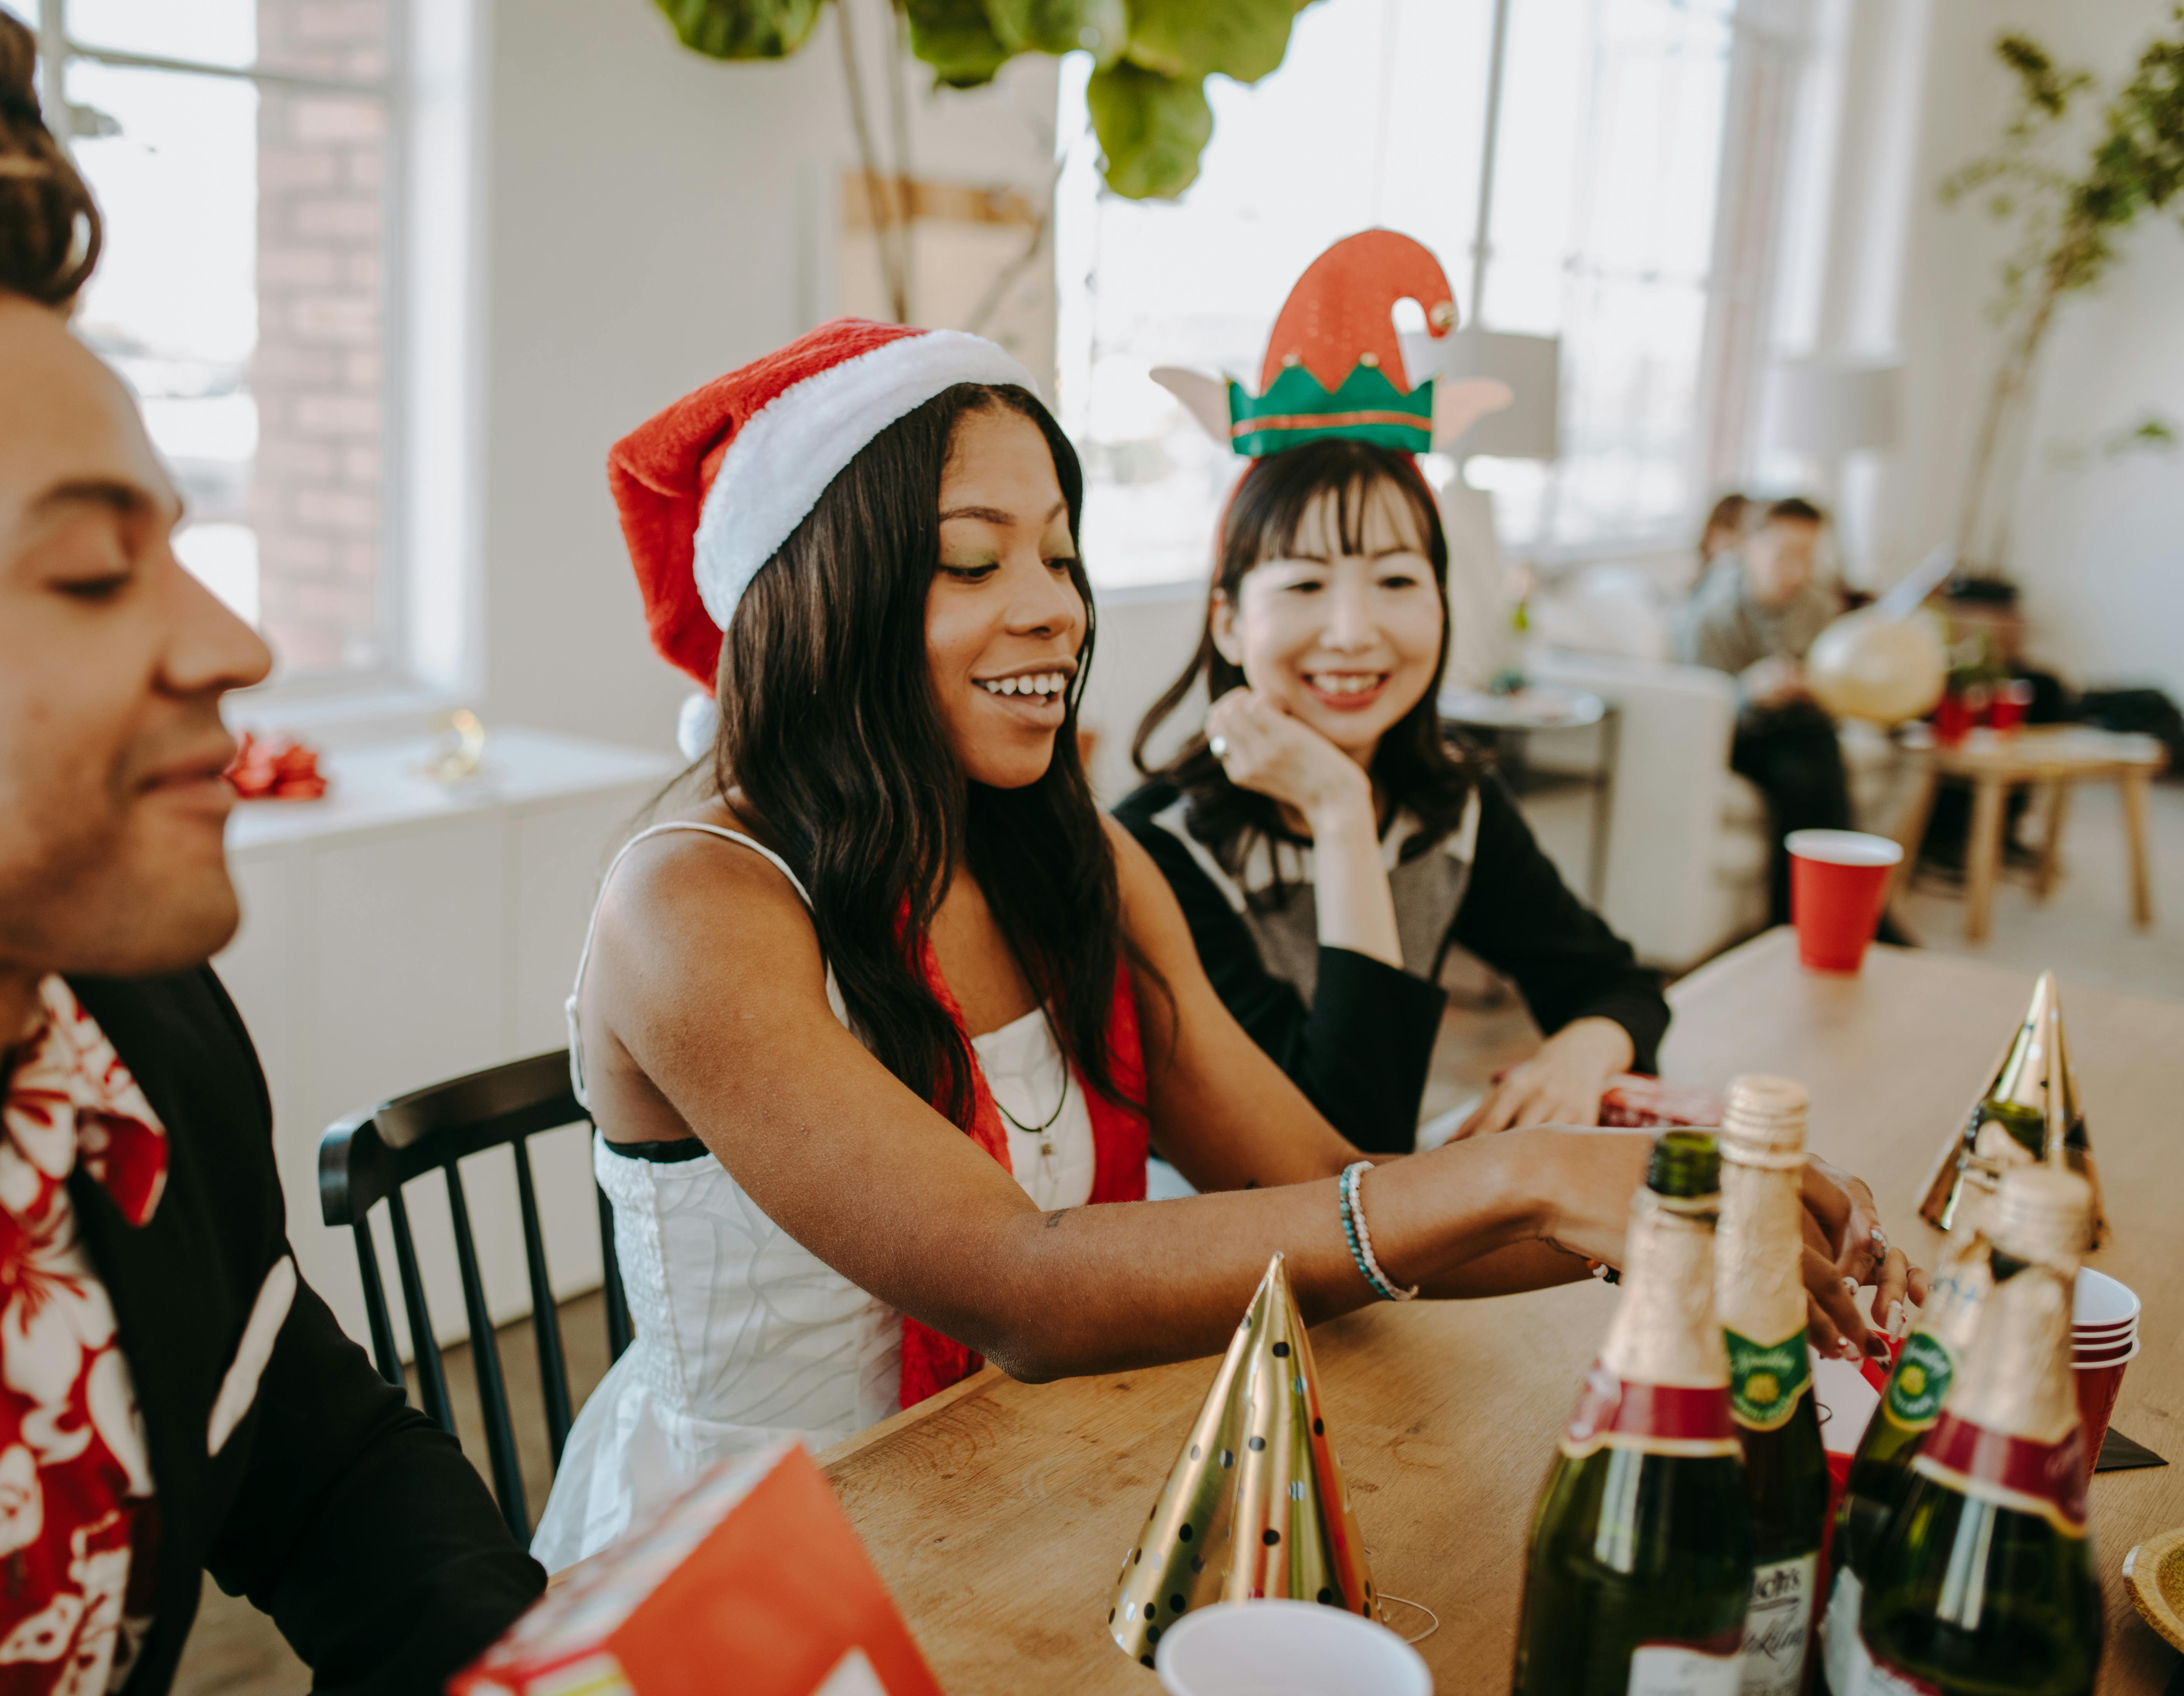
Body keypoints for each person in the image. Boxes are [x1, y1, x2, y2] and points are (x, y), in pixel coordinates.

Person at [537, 316, 1920, 1569]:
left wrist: (1685, 1195)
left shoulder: (1074, 862)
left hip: (1017, 1483)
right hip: (752, 1545)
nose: (1051, 608)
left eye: (1059, 556)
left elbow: (1326, 1182)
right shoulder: (691, 905)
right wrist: (1525, 1168)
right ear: (816, 594)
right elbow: (1022, 1282)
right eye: (971, 558)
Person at [0, 6, 541, 1691]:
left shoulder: (145, 1037)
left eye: (176, 550)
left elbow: (309, 1443)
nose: (235, 646)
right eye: (84, 573)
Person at [1116, 232, 1669, 1155]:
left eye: (1396, 580)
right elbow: (1335, 1141)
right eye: (1302, 584)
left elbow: (1619, 985)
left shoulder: (1446, 808)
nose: (1352, 630)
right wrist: (1338, 810)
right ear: (1226, 622)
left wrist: (1585, 1049)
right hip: (1215, 1261)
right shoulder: (1157, 850)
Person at [1678, 496, 1857, 925]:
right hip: (1736, 737)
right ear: (1749, 547)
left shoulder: (1819, 607)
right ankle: (1813, 916)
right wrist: (1750, 693)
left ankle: (1822, 912)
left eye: (1808, 556)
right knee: (1804, 766)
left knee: (1816, 743)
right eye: (1786, 555)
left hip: (1800, 730)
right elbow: (1697, 721)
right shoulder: (1708, 617)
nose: (1798, 571)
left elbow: (1837, 693)